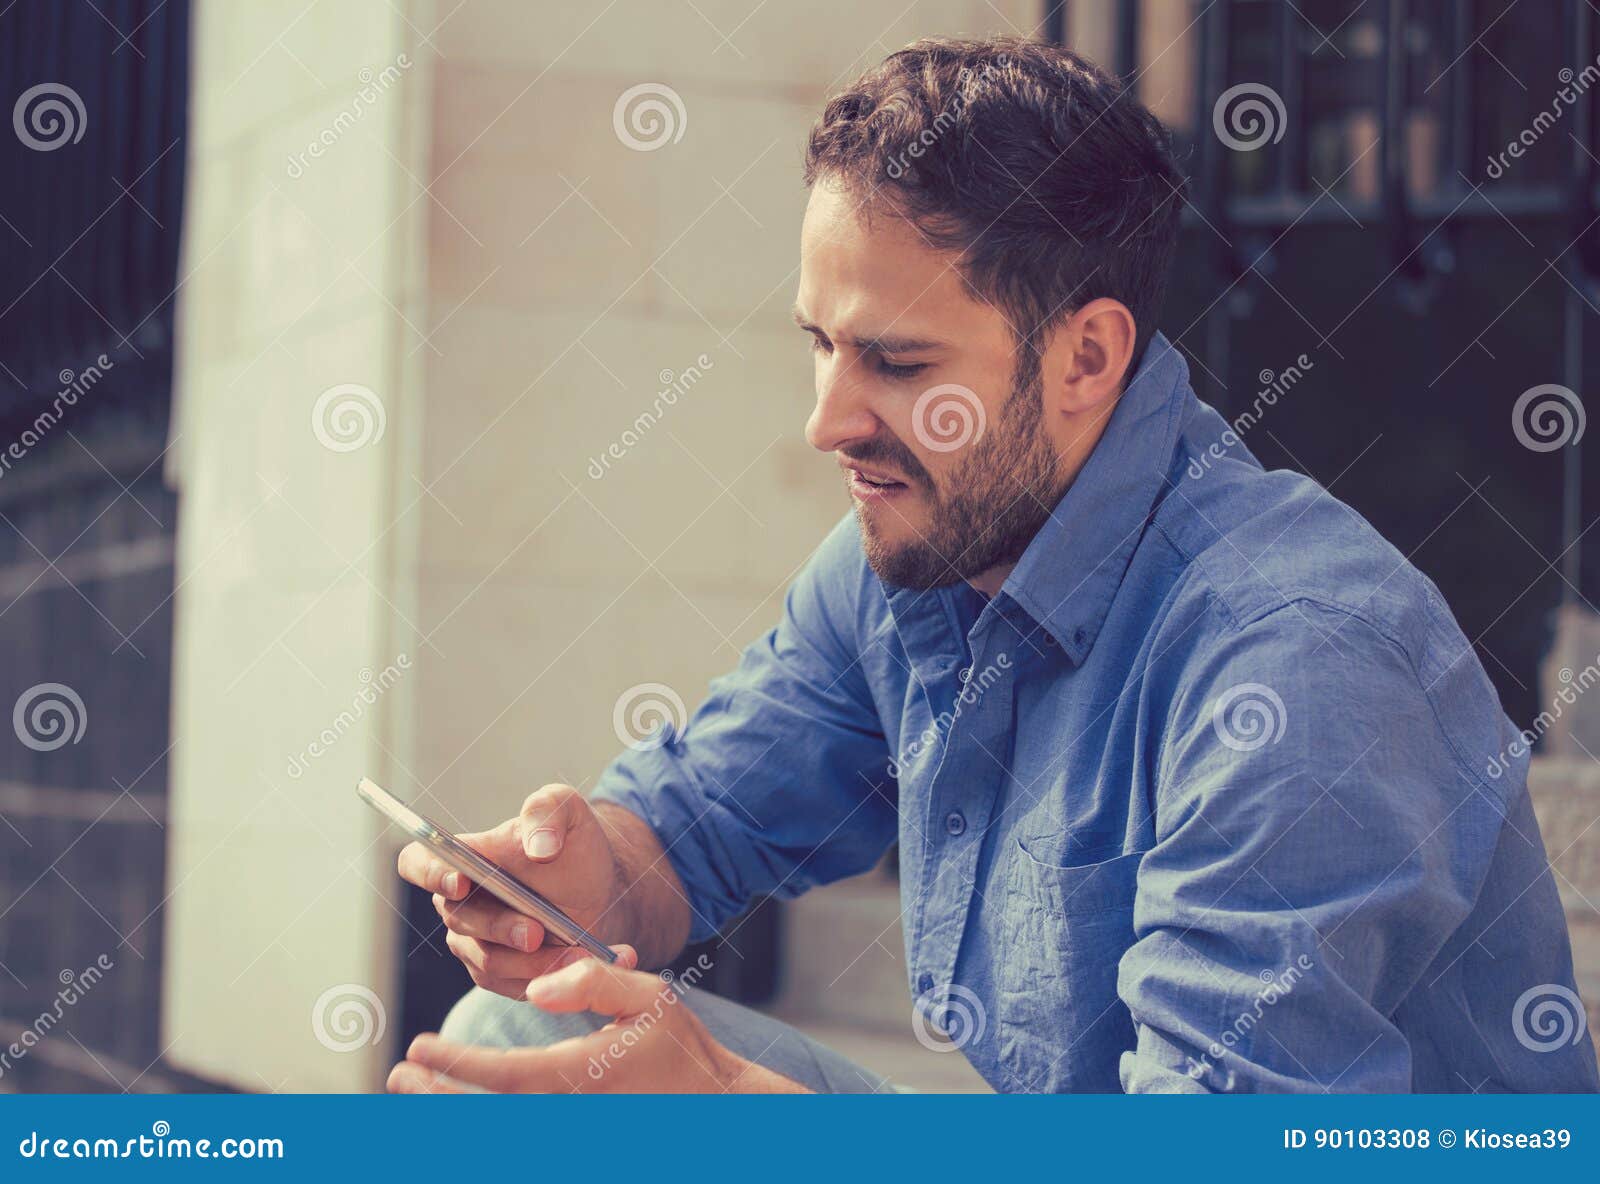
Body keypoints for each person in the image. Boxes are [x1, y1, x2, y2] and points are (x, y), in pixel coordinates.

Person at [385, 35, 1598, 1094]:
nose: (827, 421)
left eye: (898, 365)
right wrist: (588, 872)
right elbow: (694, 825)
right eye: (821, 345)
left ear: (1084, 359)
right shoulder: (909, 560)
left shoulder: (1303, 659)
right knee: (530, 1035)